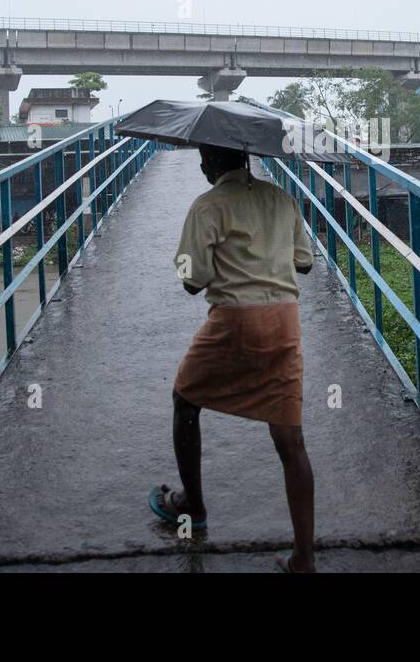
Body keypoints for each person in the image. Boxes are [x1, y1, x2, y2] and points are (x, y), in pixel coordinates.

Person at [148, 143, 317, 572]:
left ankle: (193, 507)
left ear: (209, 163)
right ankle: (303, 557)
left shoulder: (207, 206)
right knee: (290, 441)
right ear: (244, 158)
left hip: (235, 321)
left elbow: (192, 280)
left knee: (185, 400)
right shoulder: (281, 197)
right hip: (284, 323)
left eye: (203, 160)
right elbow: (304, 263)